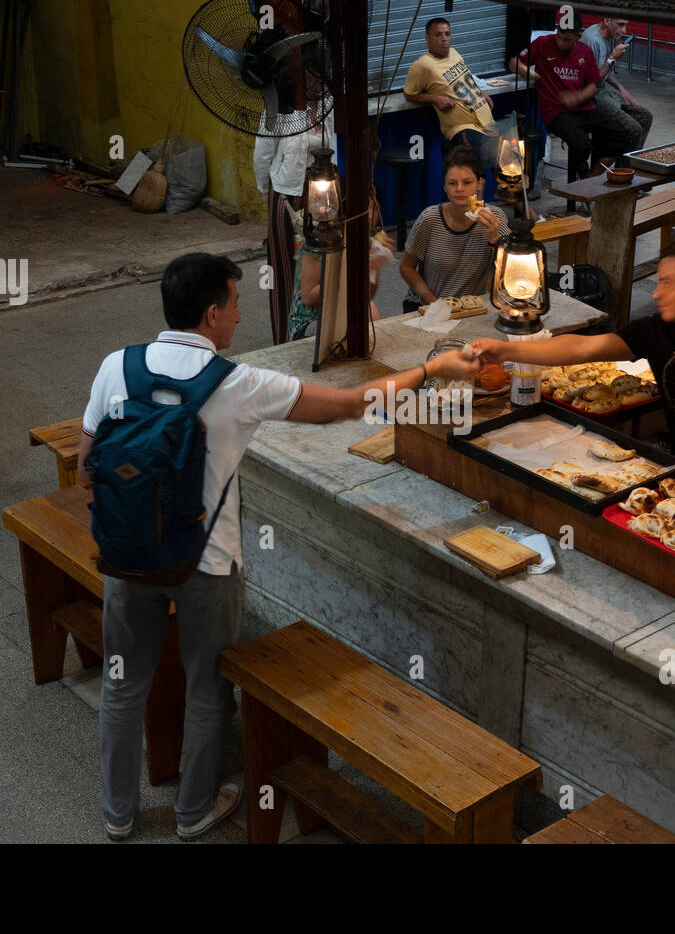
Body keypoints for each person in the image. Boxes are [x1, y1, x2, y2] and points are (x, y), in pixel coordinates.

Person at [76, 252, 478, 842]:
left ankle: (117, 814)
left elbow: (88, 466)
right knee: (207, 685)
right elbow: (346, 404)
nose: (240, 318)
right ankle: (192, 813)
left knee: (122, 680)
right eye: (235, 305)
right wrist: (430, 370)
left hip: (127, 553)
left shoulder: (117, 366)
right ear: (211, 314)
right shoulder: (237, 385)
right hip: (206, 565)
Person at [471, 240, 675, 499]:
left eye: (667, 283)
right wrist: (508, 348)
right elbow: (584, 347)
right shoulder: (656, 332)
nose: (655, 293)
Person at [509, 22, 633, 181]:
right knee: (580, 144)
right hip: (556, 111)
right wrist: (529, 73)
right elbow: (513, 62)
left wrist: (578, 97)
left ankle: (591, 176)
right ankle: (581, 168)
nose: (560, 42)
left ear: (578, 37)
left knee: (620, 134)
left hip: (583, 108)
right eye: (558, 37)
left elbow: (593, 85)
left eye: (566, 39)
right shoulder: (543, 44)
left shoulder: (585, 52)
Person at [253, 101, 334, 344]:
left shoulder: (325, 104)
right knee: (285, 266)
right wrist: (268, 193)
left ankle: (323, 331)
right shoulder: (276, 111)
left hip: (322, 191)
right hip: (287, 194)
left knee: (323, 262)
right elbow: (262, 155)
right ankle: (285, 337)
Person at [398, 146, 508, 314]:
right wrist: (434, 302)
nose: (459, 189)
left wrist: (496, 240)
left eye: (467, 182)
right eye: (452, 183)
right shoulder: (430, 219)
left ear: (480, 184)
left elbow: (510, 273)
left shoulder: (494, 218)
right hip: (427, 306)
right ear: (444, 186)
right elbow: (406, 267)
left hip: (472, 309)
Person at [291, 196, 393, 340]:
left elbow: (368, 295)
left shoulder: (368, 243)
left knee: (371, 311)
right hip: (310, 321)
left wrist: (373, 267)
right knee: (359, 317)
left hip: (345, 311)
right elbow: (309, 296)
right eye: (366, 208)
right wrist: (352, 275)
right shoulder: (320, 239)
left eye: (375, 209)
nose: (370, 214)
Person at [403, 18, 496, 166]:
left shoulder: (454, 53)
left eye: (447, 34)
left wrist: (481, 92)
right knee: (478, 169)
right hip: (462, 127)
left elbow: (466, 80)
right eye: (438, 34)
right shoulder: (422, 65)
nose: (444, 39)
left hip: (486, 121)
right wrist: (434, 98)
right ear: (428, 38)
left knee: (505, 167)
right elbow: (409, 94)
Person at [580, 17, 653, 151]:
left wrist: (621, 89)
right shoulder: (592, 40)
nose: (624, 30)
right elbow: (591, 82)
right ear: (607, 21)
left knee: (645, 117)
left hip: (602, 92)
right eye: (620, 25)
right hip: (590, 97)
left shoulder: (606, 36)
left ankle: (630, 166)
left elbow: (603, 70)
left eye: (625, 25)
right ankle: (621, 170)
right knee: (634, 129)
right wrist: (613, 58)